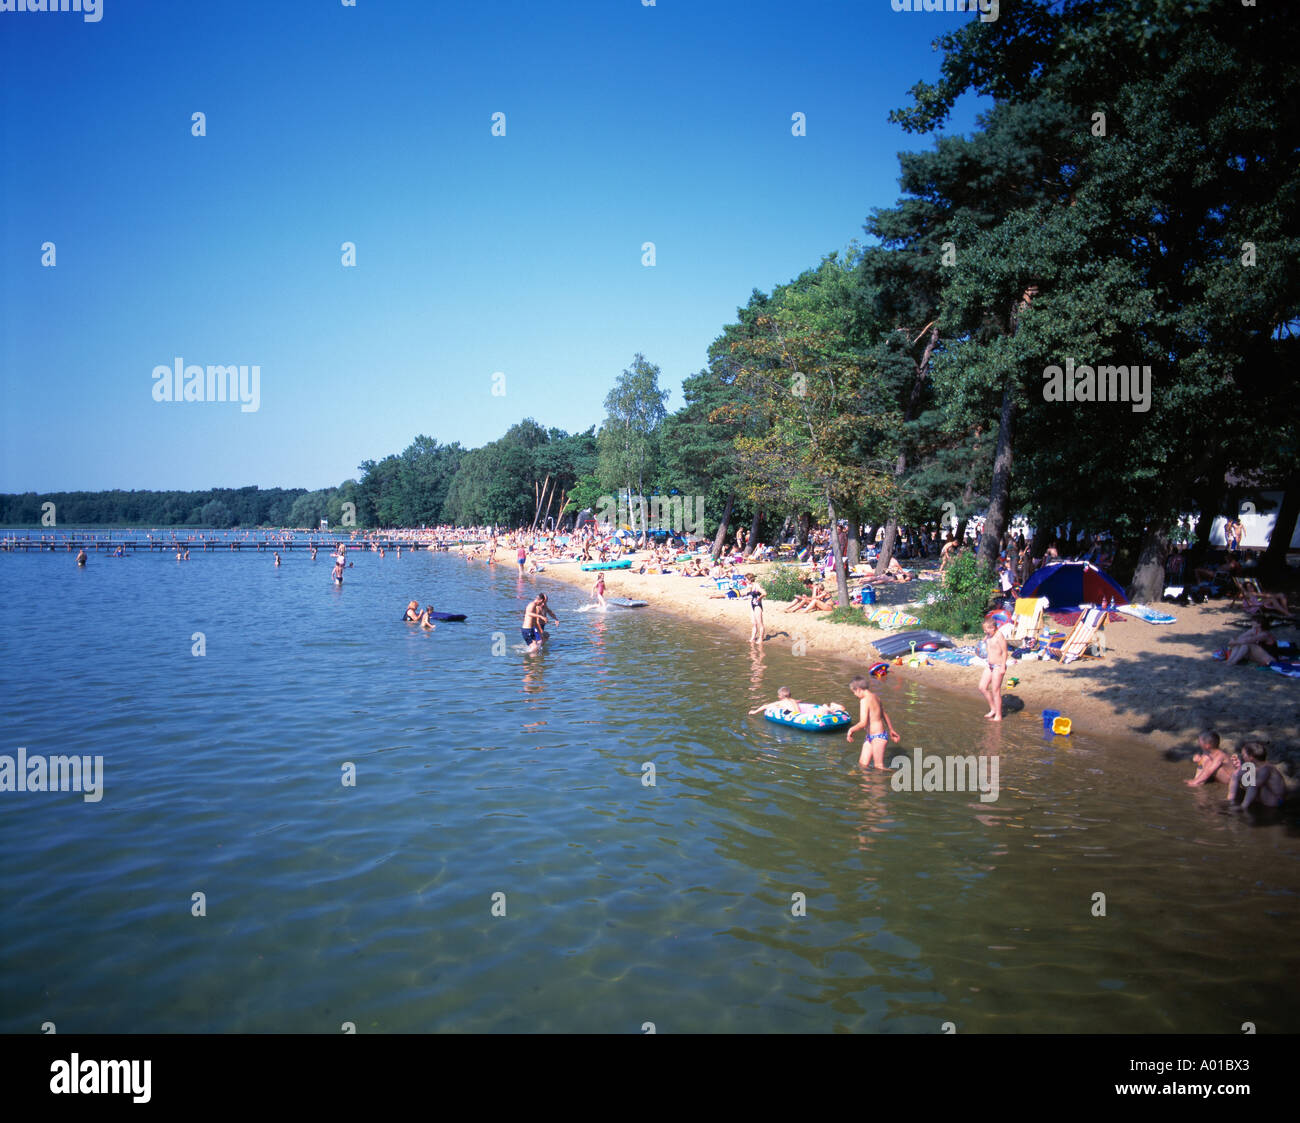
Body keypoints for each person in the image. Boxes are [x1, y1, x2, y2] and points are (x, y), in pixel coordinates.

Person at [846, 675, 900, 769]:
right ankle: (865, 782)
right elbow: (884, 714)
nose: (855, 695)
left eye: (854, 692)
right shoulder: (876, 697)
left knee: (879, 767)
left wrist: (851, 730)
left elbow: (863, 723)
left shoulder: (864, 701)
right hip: (871, 737)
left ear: (858, 689)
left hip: (878, 737)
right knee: (862, 764)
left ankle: (895, 777)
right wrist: (891, 729)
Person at [1227, 743, 1286, 810]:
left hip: (1275, 801)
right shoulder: (1256, 765)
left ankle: (1243, 806)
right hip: (1265, 796)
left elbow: (1254, 785)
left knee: (1253, 782)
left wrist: (1243, 806)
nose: (1242, 757)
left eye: (1243, 755)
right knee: (1238, 773)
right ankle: (1230, 799)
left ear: (1251, 757)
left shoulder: (1266, 769)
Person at [978, 618, 1008, 721]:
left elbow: (1005, 652)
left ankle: (998, 716)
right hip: (989, 665)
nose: (984, 631)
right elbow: (982, 644)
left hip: (998, 666)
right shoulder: (988, 635)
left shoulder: (999, 635)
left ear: (993, 628)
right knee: (982, 687)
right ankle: (993, 709)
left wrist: (1003, 666)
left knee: (995, 690)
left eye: (986, 629)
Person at [745, 573, 766, 643]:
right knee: (754, 623)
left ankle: (761, 639)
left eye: (746, 579)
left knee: (760, 623)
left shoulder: (756, 585)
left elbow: (764, 593)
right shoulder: (751, 586)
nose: (745, 581)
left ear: (749, 579)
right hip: (753, 605)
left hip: (757, 605)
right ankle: (753, 638)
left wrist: (759, 598)